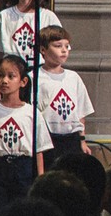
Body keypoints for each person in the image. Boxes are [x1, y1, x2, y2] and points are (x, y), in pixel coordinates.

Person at [0, 52, 52, 216]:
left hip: (23, 169)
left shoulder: (31, 113)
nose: (4, 81)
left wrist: (41, 183)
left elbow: (38, 152)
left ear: (23, 81)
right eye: (0, 75)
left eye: (11, 76)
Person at [34, 24, 94, 160]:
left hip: (71, 139)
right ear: (43, 49)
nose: (64, 50)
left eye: (66, 46)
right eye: (58, 46)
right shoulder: (35, 77)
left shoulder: (73, 77)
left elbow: (80, 113)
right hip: (47, 139)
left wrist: (82, 140)